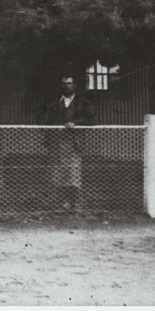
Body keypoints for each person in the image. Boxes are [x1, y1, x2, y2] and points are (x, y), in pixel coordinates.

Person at [40, 75, 95, 212]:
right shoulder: (53, 102)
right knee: (57, 174)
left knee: (73, 174)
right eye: (64, 84)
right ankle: (60, 204)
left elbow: (91, 120)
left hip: (74, 144)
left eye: (70, 83)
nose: (67, 86)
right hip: (56, 143)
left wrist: (75, 122)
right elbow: (44, 119)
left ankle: (75, 204)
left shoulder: (83, 102)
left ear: (75, 85)